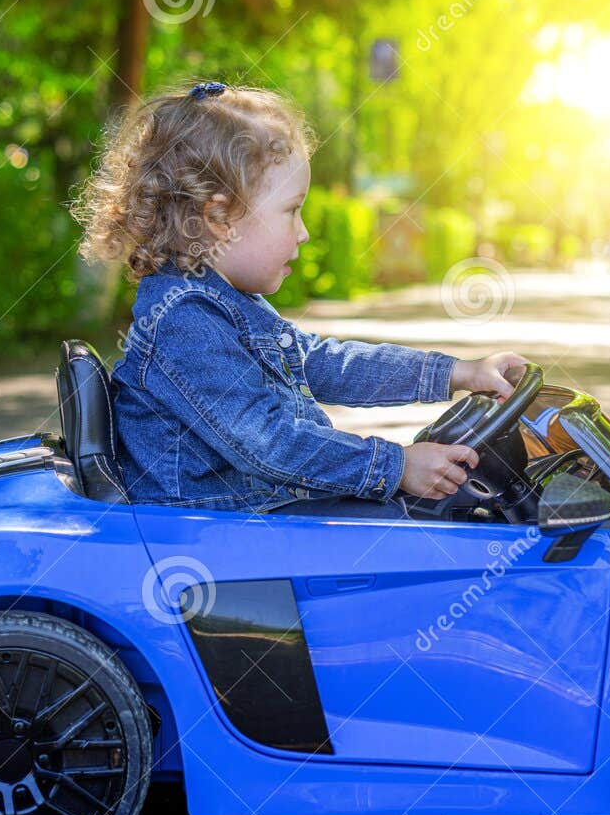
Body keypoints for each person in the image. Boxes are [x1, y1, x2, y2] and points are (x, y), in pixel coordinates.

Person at [74, 80, 527, 518]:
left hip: (266, 518)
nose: (305, 231)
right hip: (225, 543)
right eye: (292, 210)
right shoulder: (184, 322)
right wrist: (398, 466)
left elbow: (327, 363)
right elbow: (269, 443)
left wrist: (457, 373)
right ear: (218, 217)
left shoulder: (227, 302)